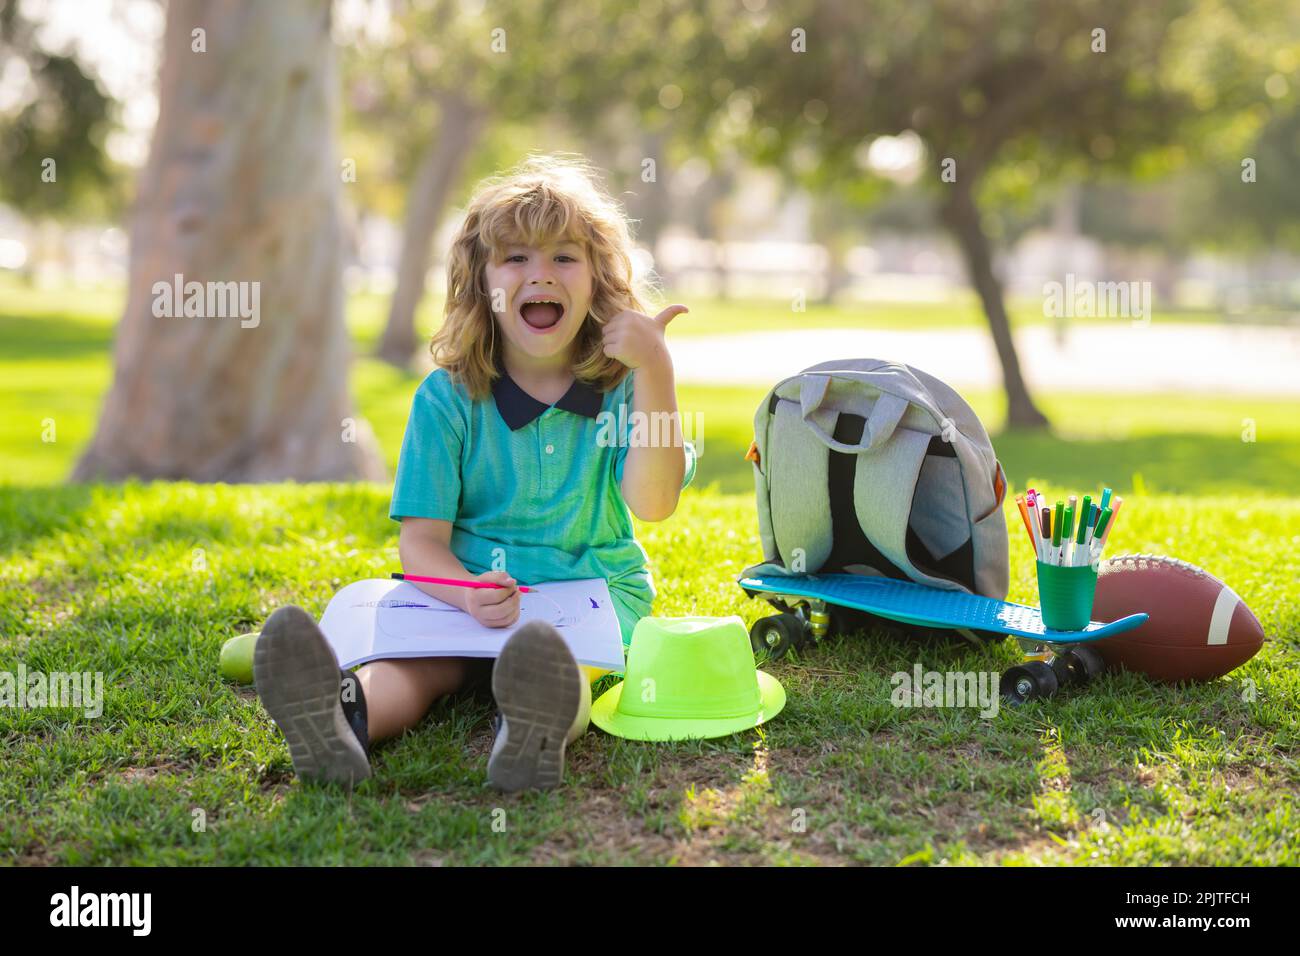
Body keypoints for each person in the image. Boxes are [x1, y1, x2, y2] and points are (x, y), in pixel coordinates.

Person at [253, 153, 696, 791]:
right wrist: (465, 594)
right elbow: (422, 543)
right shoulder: (447, 399)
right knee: (418, 667)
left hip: (594, 597)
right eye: (516, 257)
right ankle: (338, 721)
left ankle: (532, 733)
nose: (539, 274)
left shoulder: (625, 389)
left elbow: (653, 503)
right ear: (480, 283)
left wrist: (657, 371)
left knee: (564, 668)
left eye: (564, 257)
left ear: (598, 281)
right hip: (466, 601)